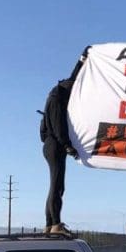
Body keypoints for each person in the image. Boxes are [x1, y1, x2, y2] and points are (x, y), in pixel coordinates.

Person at [39, 48, 88, 235]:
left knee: (55, 185)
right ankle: (56, 224)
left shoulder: (58, 92)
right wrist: (67, 145)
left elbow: (73, 78)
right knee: (57, 185)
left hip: (50, 144)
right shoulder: (58, 99)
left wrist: (82, 60)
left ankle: (50, 224)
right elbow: (60, 126)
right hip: (55, 145)